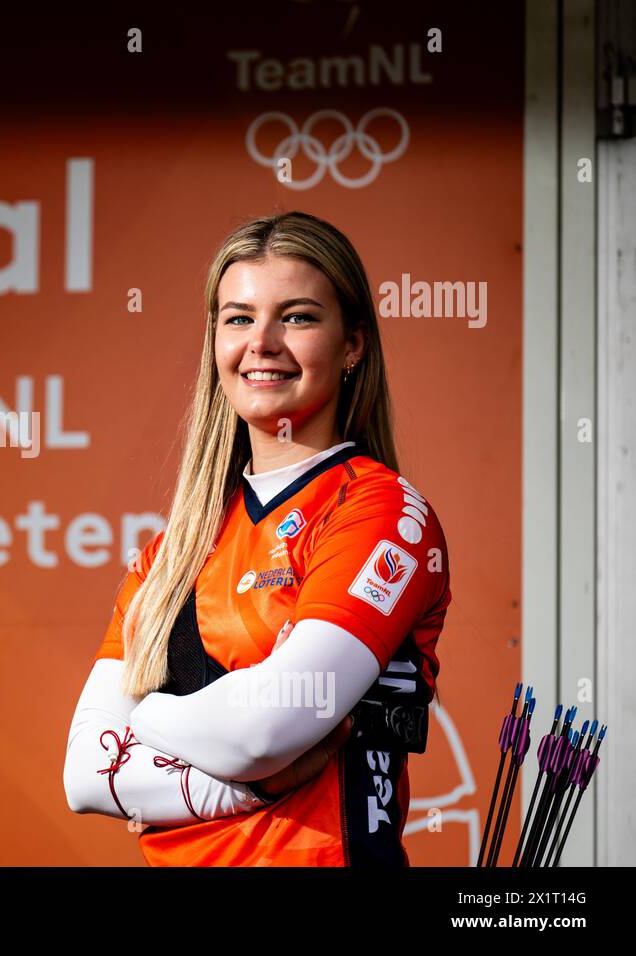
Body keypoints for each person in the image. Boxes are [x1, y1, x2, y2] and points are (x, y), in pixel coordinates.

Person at [63, 211, 452, 866]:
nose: (262, 342)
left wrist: (144, 723)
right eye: (238, 318)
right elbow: (84, 776)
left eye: (297, 317)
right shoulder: (169, 554)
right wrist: (245, 787)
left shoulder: (378, 510)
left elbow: (265, 731)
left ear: (353, 343)